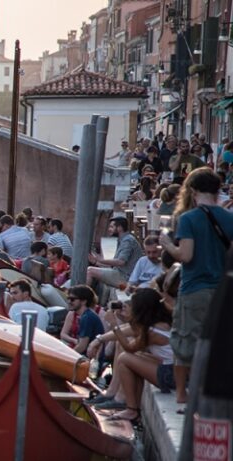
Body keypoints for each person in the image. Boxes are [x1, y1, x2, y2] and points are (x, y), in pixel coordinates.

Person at [159, 167, 233, 405]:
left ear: (192, 189)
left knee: (184, 343)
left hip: (194, 288)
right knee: (217, 343)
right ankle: (207, 393)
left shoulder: (188, 219)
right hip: (223, 290)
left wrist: (167, 245)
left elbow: (186, 255)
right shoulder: (229, 218)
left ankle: (182, 395)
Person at [88, 288, 174, 423]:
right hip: (171, 369)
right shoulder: (159, 322)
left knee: (124, 358)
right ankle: (133, 407)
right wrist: (124, 320)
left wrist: (114, 324)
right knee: (134, 358)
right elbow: (133, 332)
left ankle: (131, 410)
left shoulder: (153, 331)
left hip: (170, 375)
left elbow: (129, 347)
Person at [86, 217, 143, 292]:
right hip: (120, 274)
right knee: (91, 270)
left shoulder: (128, 240)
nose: (109, 229)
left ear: (119, 228)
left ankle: (83, 296)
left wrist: (99, 259)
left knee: (90, 271)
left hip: (125, 279)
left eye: (112, 227)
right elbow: (113, 266)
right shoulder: (122, 240)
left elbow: (120, 262)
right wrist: (95, 262)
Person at [60, 285, 104, 353]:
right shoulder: (87, 315)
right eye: (68, 298)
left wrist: (66, 357)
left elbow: (82, 347)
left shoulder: (87, 317)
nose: (69, 301)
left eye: (72, 299)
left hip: (88, 359)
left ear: (84, 301)